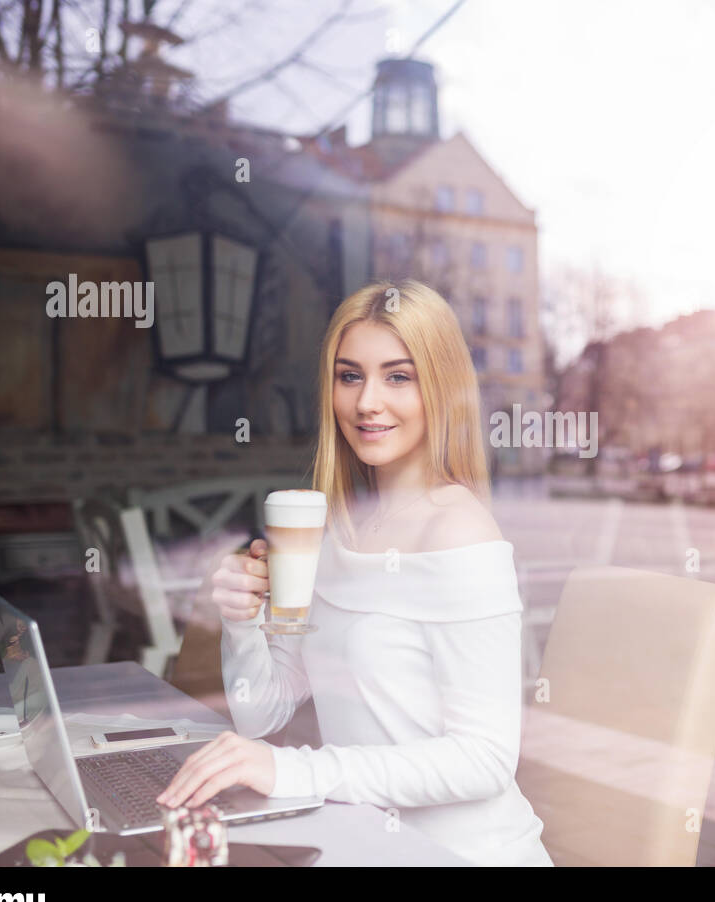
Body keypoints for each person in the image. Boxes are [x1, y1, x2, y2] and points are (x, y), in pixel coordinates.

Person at [157, 279, 553, 867]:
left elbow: (486, 759)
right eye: (349, 376)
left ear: (439, 388)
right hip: (363, 845)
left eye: (398, 376)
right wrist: (242, 622)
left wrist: (293, 769)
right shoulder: (331, 526)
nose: (367, 401)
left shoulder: (459, 533)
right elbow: (260, 712)